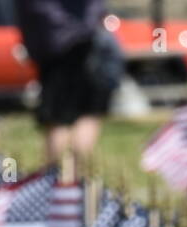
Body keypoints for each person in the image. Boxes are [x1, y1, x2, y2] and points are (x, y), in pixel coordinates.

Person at [15, 0, 124, 163]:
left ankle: (58, 178)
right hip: (78, 44)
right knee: (85, 115)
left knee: (62, 119)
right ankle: (70, 177)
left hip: (53, 46)